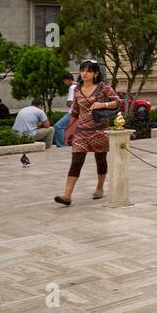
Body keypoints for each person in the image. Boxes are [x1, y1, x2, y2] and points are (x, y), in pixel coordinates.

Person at [55, 61, 117, 206]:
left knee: (100, 160)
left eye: (88, 71)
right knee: (76, 161)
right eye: (82, 70)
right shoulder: (77, 89)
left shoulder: (103, 87)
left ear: (95, 73)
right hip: (81, 132)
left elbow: (117, 102)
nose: (84, 73)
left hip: (100, 130)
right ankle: (67, 195)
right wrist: (69, 130)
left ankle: (100, 187)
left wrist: (103, 104)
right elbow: (75, 112)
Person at [52, 72, 75, 148]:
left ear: (67, 80)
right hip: (77, 112)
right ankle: (68, 142)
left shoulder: (72, 87)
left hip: (72, 112)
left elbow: (70, 102)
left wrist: (68, 103)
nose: (64, 83)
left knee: (58, 126)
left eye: (64, 81)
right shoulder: (78, 86)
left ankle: (62, 145)